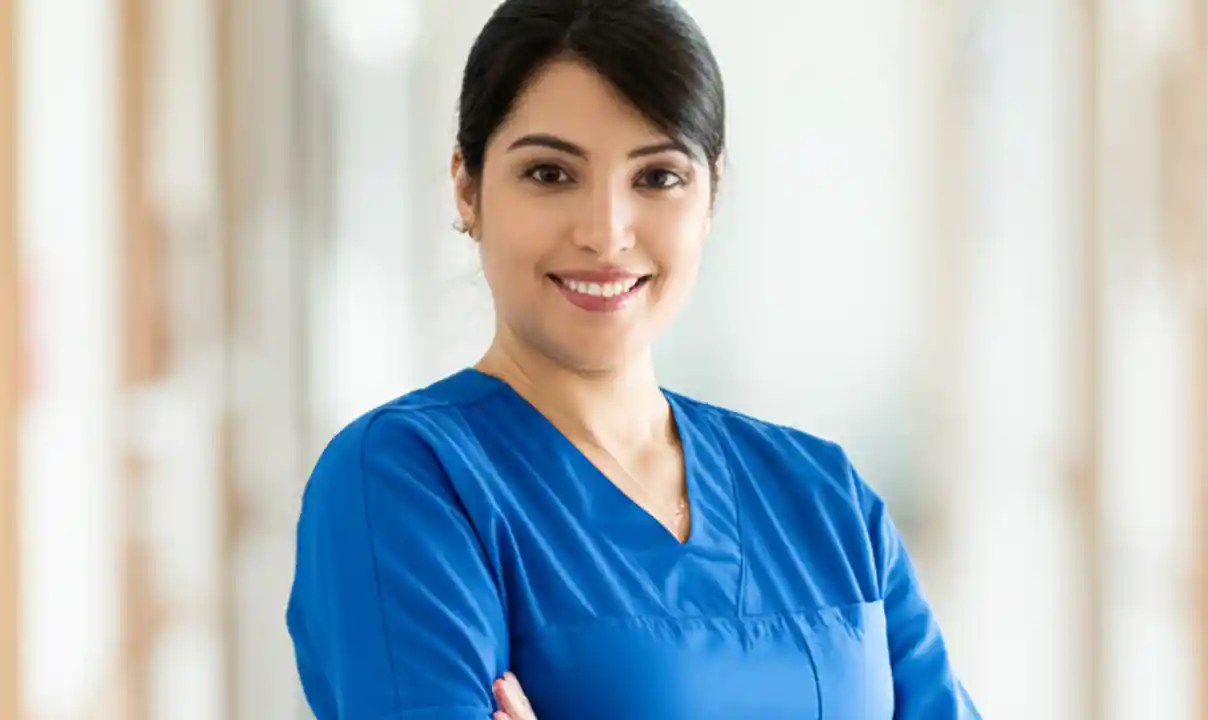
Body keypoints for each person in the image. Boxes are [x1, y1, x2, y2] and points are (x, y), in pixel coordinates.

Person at [285, 1, 981, 718]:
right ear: (467, 187)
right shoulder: (404, 482)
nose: (606, 234)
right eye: (551, 174)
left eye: (657, 178)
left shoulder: (823, 498)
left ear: (711, 195)